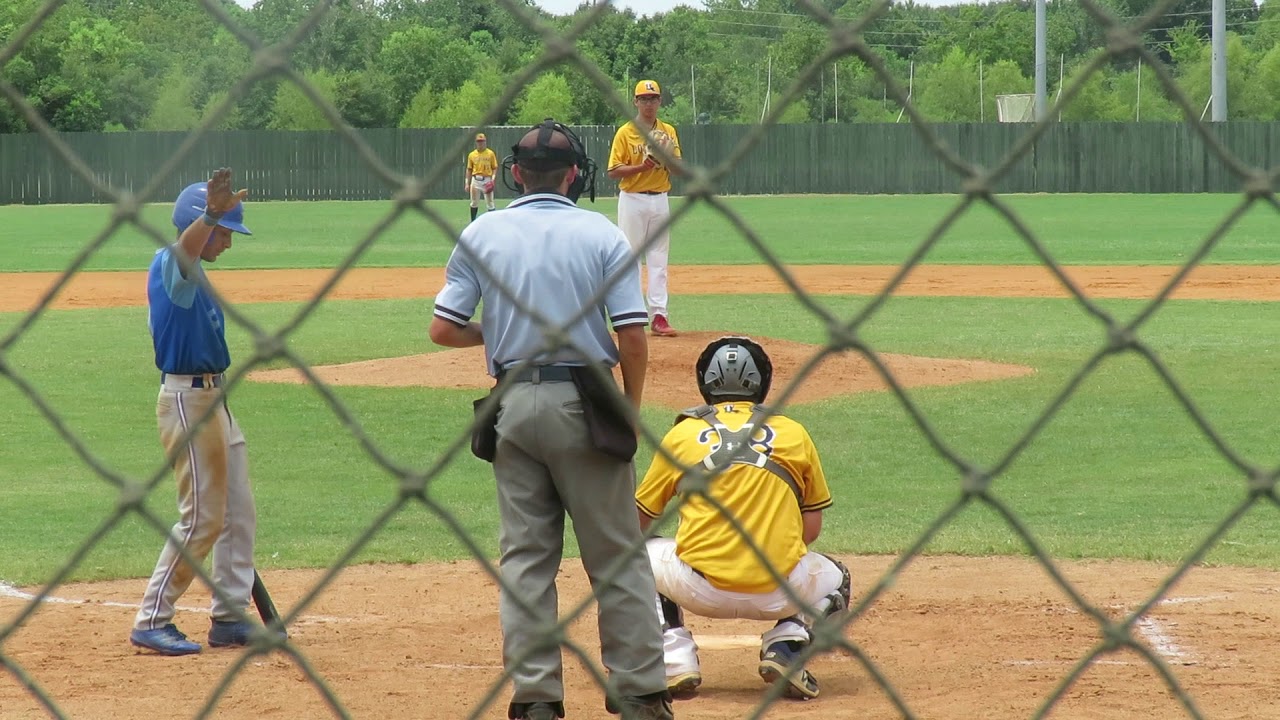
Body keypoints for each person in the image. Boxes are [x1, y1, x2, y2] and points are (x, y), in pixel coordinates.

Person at [430, 119, 674, 720]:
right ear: (572, 175)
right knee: (615, 553)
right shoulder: (600, 234)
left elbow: (442, 328)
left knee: (527, 560)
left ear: (513, 174)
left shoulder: (482, 233)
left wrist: (510, 327)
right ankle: (640, 691)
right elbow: (633, 337)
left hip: (511, 405)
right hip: (586, 402)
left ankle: (537, 700)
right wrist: (630, 409)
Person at [635, 337, 851, 701]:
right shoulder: (794, 433)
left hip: (698, 589)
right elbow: (810, 529)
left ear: (705, 381)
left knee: (636, 555)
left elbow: (637, 524)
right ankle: (787, 645)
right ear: (762, 382)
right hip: (779, 590)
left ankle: (675, 659)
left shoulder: (682, 434)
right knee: (837, 577)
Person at [131, 168, 277, 656]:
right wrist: (211, 214)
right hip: (188, 402)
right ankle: (153, 617)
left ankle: (230, 618)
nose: (229, 243)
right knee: (202, 519)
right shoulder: (173, 265)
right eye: (224, 232)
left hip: (214, 400)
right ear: (201, 224)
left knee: (238, 512)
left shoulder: (195, 271)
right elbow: (187, 249)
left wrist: (215, 217)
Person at [608, 80, 683, 338]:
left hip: (660, 198)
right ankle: (631, 313)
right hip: (632, 199)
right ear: (635, 102)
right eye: (644, 98)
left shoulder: (668, 131)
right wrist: (642, 167)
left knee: (659, 259)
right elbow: (613, 171)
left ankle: (659, 315)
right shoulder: (625, 133)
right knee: (630, 258)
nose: (649, 103)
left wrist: (666, 158)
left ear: (660, 101)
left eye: (653, 98)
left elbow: (678, 169)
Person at [466, 131, 499, 222]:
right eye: (479, 141)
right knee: (474, 202)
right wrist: (467, 183)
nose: (481, 143)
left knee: (490, 203)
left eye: (482, 141)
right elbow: (469, 169)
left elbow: (495, 167)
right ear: (476, 142)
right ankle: (473, 221)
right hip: (475, 180)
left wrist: (492, 179)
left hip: (487, 179)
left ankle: (493, 222)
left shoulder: (490, 153)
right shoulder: (472, 155)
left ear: (485, 142)